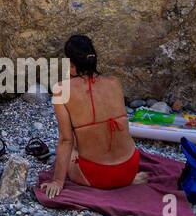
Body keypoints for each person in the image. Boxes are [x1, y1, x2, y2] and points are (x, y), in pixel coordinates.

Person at [42, 34, 147, 196]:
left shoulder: (61, 90)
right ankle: (122, 178)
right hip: (130, 168)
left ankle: (104, 175)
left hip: (97, 176)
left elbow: (66, 140)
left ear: (70, 64)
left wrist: (57, 181)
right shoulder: (115, 83)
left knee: (74, 143)